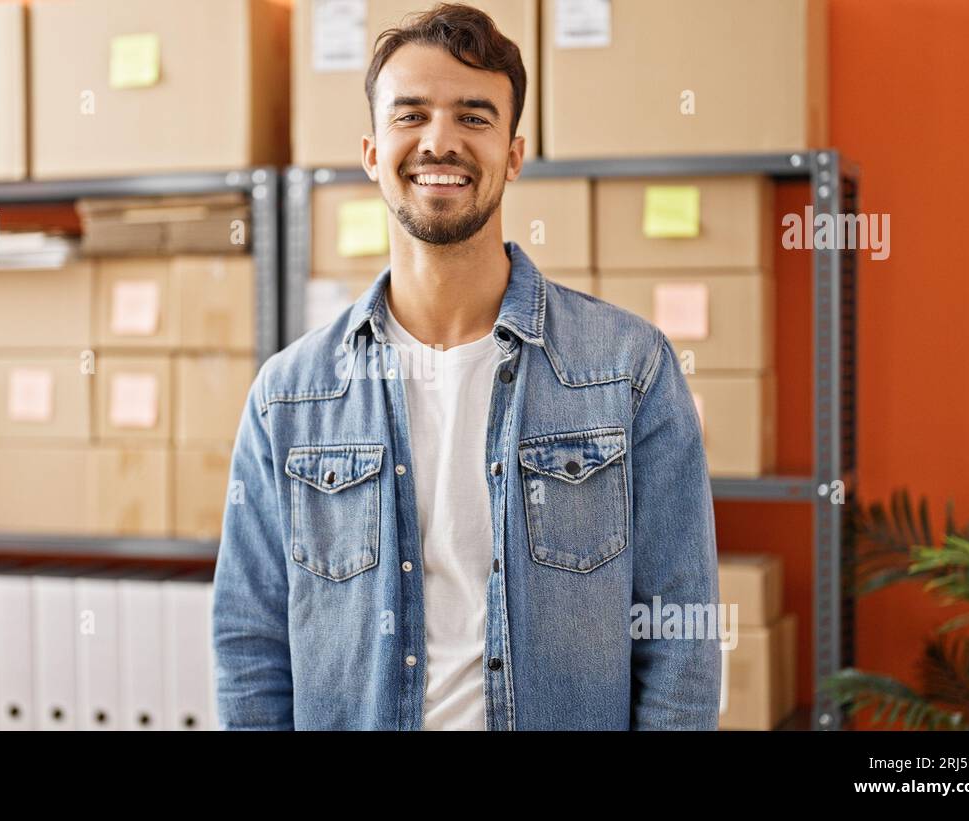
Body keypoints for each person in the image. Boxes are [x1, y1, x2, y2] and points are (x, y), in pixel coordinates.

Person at [212, 3, 719, 730]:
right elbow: (251, 644)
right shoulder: (289, 396)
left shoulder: (629, 370)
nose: (439, 141)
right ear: (371, 150)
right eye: (410, 115)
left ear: (513, 154)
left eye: (474, 117)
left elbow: (679, 636)